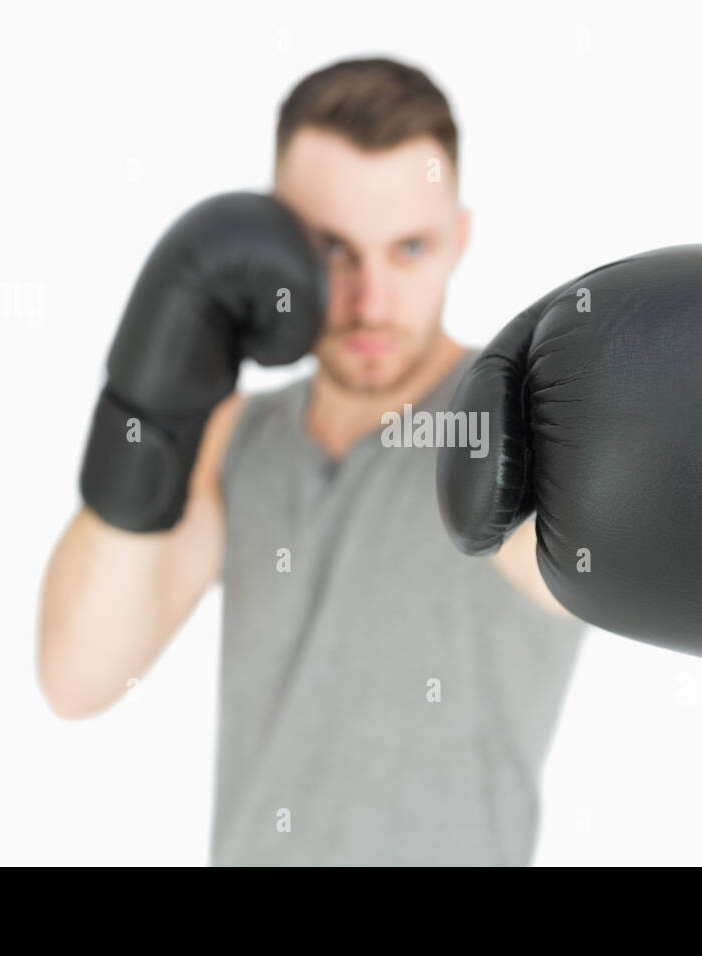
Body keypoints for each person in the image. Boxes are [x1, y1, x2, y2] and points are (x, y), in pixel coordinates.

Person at [38, 57, 586, 866]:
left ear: (458, 241)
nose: (370, 302)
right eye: (333, 251)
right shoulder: (234, 435)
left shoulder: (506, 424)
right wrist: (150, 406)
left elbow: (571, 569)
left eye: (408, 248)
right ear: (273, 241)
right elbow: (78, 678)